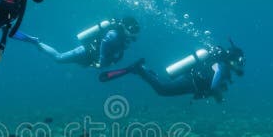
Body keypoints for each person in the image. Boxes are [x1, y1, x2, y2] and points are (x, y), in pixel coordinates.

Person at [100, 40, 245, 101]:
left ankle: (144, 71)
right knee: (162, 90)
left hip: (191, 81)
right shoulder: (222, 66)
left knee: (163, 86)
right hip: (190, 81)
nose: (240, 65)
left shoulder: (222, 65)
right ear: (233, 59)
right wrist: (216, 93)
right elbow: (214, 83)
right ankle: (140, 69)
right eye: (239, 61)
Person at [14, 16, 139, 69]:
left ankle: (37, 43)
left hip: (89, 56)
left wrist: (107, 61)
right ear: (125, 27)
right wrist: (102, 62)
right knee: (59, 58)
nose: (134, 34)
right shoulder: (113, 35)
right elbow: (105, 44)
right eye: (132, 30)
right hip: (85, 51)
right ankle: (35, 42)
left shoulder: (123, 38)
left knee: (64, 60)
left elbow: (114, 51)